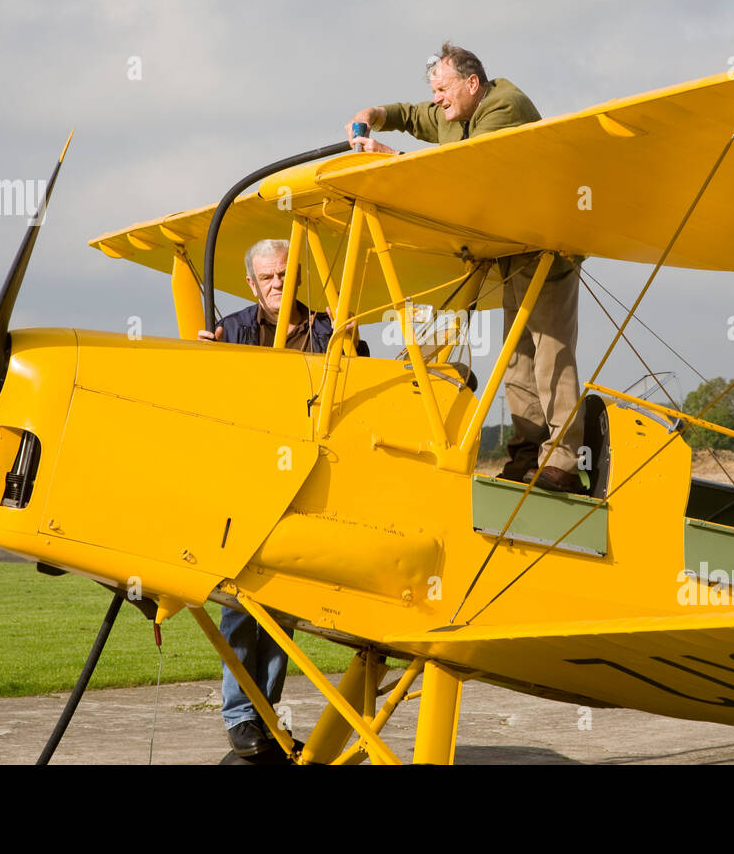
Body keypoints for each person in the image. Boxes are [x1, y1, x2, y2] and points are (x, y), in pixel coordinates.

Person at [346, 42, 585, 493]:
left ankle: (565, 464)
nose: (437, 98)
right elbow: (415, 115)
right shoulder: (458, 108)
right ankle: (526, 455)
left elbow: (469, 170)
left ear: (471, 84)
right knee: (518, 361)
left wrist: (390, 159)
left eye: (443, 88)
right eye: (434, 89)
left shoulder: (504, 108)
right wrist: (375, 112)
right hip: (510, 250)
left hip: (548, 247)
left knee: (552, 354)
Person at [198, 237, 363, 758]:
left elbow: (359, 384)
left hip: (307, 487)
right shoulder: (236, 330)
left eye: (285, 275)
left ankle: (264, 717)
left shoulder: (324, 329)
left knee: (281, 611)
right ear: (251, 283)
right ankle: (242, 716)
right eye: (267, 277)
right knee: (240, 609)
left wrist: (351, 342)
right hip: (248, 486)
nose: (276, 284)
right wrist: (203, 357)